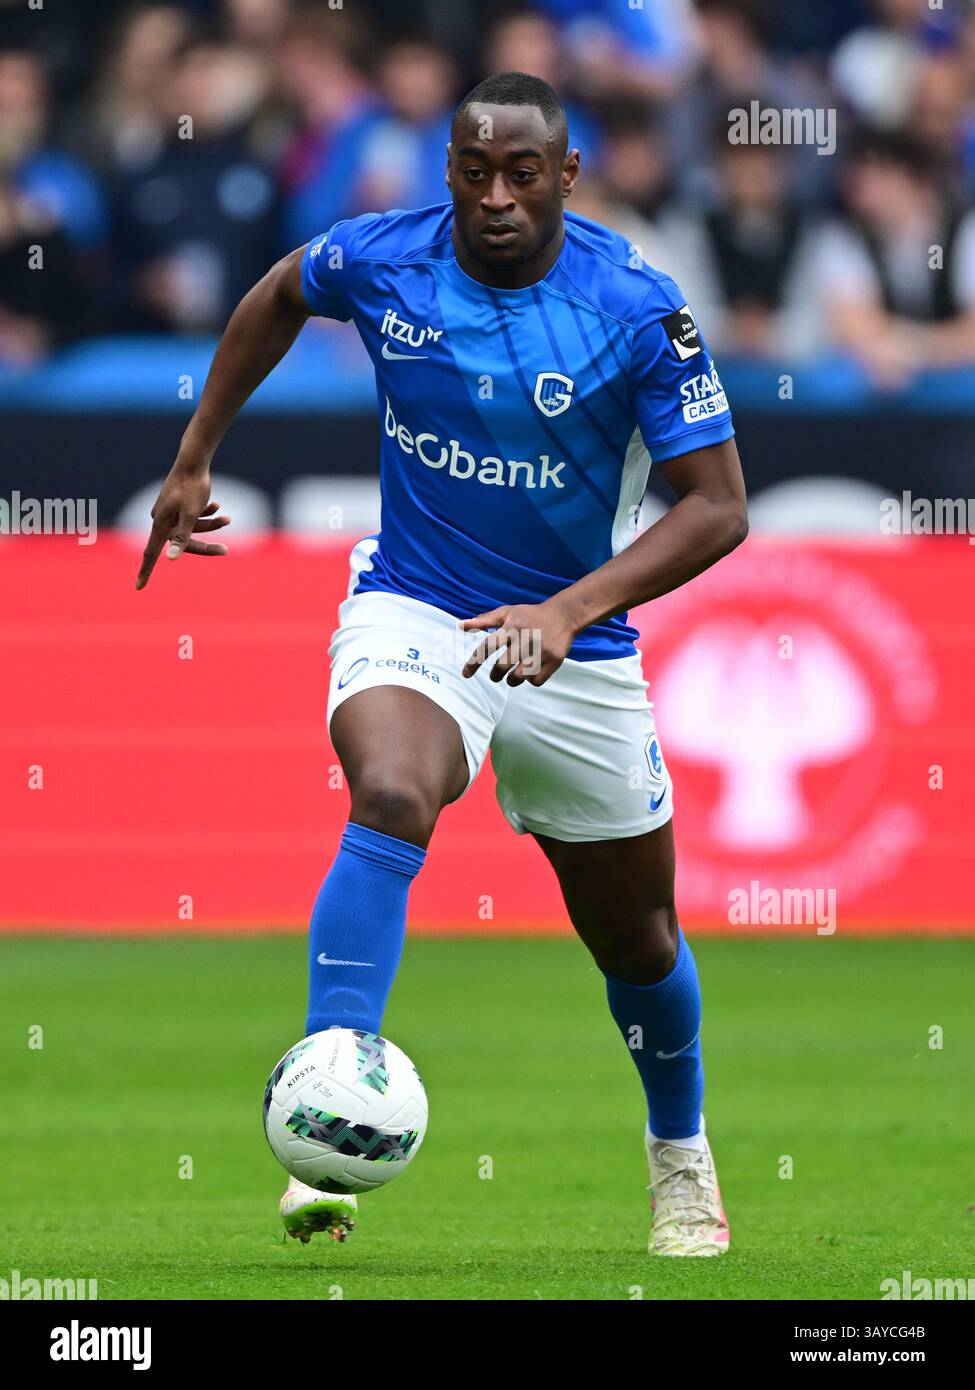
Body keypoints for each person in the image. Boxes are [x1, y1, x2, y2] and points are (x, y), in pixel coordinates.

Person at [135, 72, 747, 1257]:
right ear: (449, 171)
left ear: (567, 177)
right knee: (391, 792)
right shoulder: (384, 258)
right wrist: (195, 451)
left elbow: (716, 508)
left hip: (580, 642)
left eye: (525, 175)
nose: (498, 198)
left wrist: (570, 608)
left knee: (640, 941)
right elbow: (274, 294)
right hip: (416, 605)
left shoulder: (635, 305)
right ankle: (327, 1108)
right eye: (475, 172)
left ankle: (679, 1151)